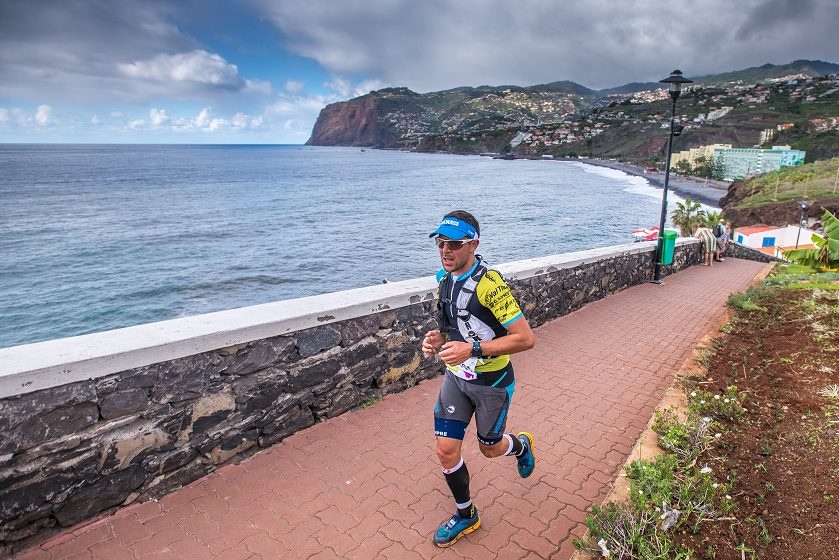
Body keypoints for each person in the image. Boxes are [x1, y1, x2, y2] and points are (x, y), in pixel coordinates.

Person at [422, 210, 536, 547]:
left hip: (492, 383)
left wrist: (471, 350)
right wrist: (437, 341)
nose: (445, 250)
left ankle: (520, 446)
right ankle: (466, 514)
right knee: (445, 451)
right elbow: (450, 329)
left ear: (473, 244)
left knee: (489, 449)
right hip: (456, 379)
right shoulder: (444, 280)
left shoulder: (490, 285)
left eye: (454, 243)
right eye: (441, 243)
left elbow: (525, 339)